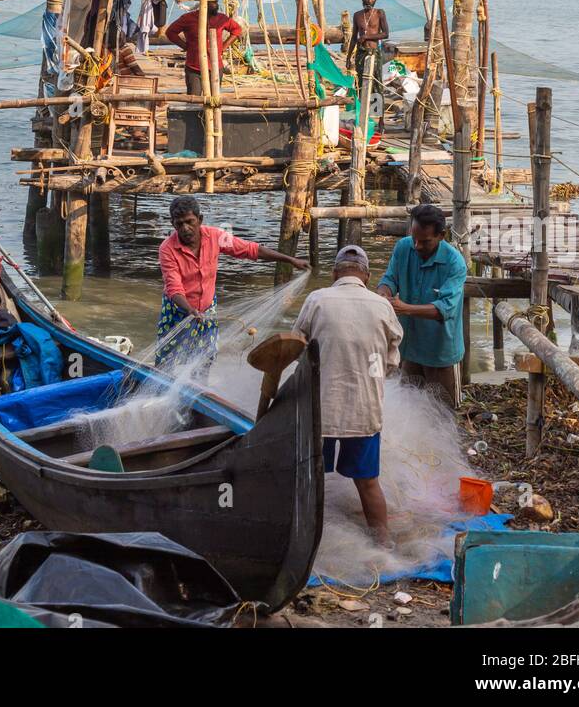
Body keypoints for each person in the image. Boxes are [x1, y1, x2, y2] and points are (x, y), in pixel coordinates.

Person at [293, 245, 402, 543]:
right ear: (366, 276)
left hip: (320, 410)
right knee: (367, 483)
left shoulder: (317, 300)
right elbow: (390, 363)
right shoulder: (383, 307)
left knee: (310, 479)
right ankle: (383, 543)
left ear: (333, 274)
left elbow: (296, 347)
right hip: (365, 411)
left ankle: (303, 541)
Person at [156, 196, 308, 371]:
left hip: (206, 308)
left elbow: (250, 249)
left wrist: (289, 259)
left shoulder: (215, 236)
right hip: (178, 309)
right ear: (172, 224)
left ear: (200, 219)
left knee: (205, 357)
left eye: (190, 222)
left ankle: (199, 387)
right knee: (169, 358)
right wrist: (189, 310)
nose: (185, 228)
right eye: (179, 224)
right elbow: (174, 288)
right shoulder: (167, 249)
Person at [376, 203, 467, 408]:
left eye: (424, 242)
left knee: (443, 412)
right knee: (408, 407)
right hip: (408, 347)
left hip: (440, 351)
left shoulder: (455, 264)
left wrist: (404, 308)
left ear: (441, 236)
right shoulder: (403, 247)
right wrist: (383, 293)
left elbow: (445, 308)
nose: (416, 246)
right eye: (414, 238)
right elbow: (390, 278)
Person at [164, 0, 242, 95]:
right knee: (194, 100)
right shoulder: (188, 18)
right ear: (204, 3)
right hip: (194, 67)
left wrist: (223, 47)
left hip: (215, 66)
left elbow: (237, 29)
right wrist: (185, 46)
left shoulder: (221, 18)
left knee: (214, 98)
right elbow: (170, 32)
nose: (216, 5)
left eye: (216, 2)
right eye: (213, 2)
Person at [345, 0, 388, 126]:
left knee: (377, 85)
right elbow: (353, 37)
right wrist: (348, 57)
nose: (369, 1)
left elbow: (385, 34)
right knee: (360, 85)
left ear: (375, 0)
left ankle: (380, 120)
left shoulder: (380, 13)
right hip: (361, 53)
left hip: (374, 53)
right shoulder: (357, 15)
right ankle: (361, 116)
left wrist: (367, 36)